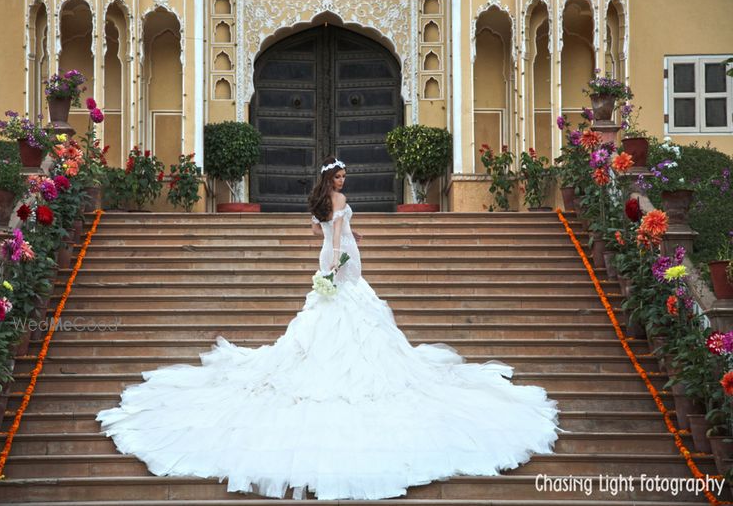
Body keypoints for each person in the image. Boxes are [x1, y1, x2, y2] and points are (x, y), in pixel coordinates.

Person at [96, 156, 563, 501]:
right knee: (346, 316)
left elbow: (322, 230)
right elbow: (337, 236)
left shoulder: (322, 200)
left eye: (342, 177)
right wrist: (338, 261)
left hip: (335, 258)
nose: (343, 181)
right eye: (339, 176)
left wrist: (331, 254)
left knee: (335, 316)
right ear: (330, 180)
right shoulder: (336, 200)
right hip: (342, 260)